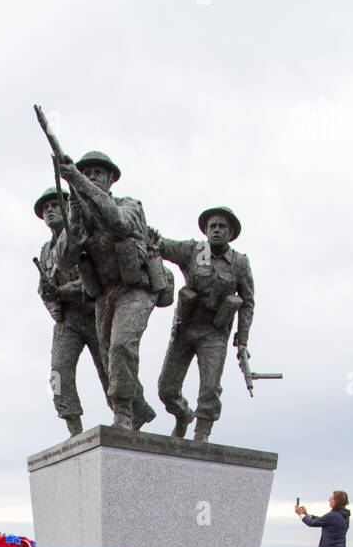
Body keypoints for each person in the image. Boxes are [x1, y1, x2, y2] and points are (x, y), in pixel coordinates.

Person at [55, 150, 157, 431]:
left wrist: (77, 181)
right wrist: (75, 211)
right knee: (109, 358)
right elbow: (65, 258)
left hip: (135, 288)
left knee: (122, 345)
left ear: (111, 178)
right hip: (105, 295)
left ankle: (124, 413)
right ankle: (136, 408)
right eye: (86, 173)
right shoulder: (81, 213)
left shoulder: (130, 205)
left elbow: (117, 222)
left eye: (98, 173)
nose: (91, 177)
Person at [152, 206, 254, 444]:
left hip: (214, 333)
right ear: (206, 231)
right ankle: (183, 414)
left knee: (209, 388)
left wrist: (243, 339)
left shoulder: (239, 263)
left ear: (231, 233)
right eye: (212, 226)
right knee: (166, 389)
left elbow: (248, 302)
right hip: (186, 328)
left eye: (222, 227)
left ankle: (202, 434)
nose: (216, 231)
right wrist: (146, 232)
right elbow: (160, 244)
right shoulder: (193, 250)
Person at [34, 187, 109, 436]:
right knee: (57, 374)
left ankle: (130, 416)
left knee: (112, 372)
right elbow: (43, 288)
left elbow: (93, 279)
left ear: (67, 207)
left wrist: (61, 292)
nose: (50, 210)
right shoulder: (46, 250)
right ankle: (73, 428)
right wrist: (51, 302)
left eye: (55, 205)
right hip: (68, 321)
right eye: (45, 208)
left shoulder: (81, 235)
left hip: (95, 314)